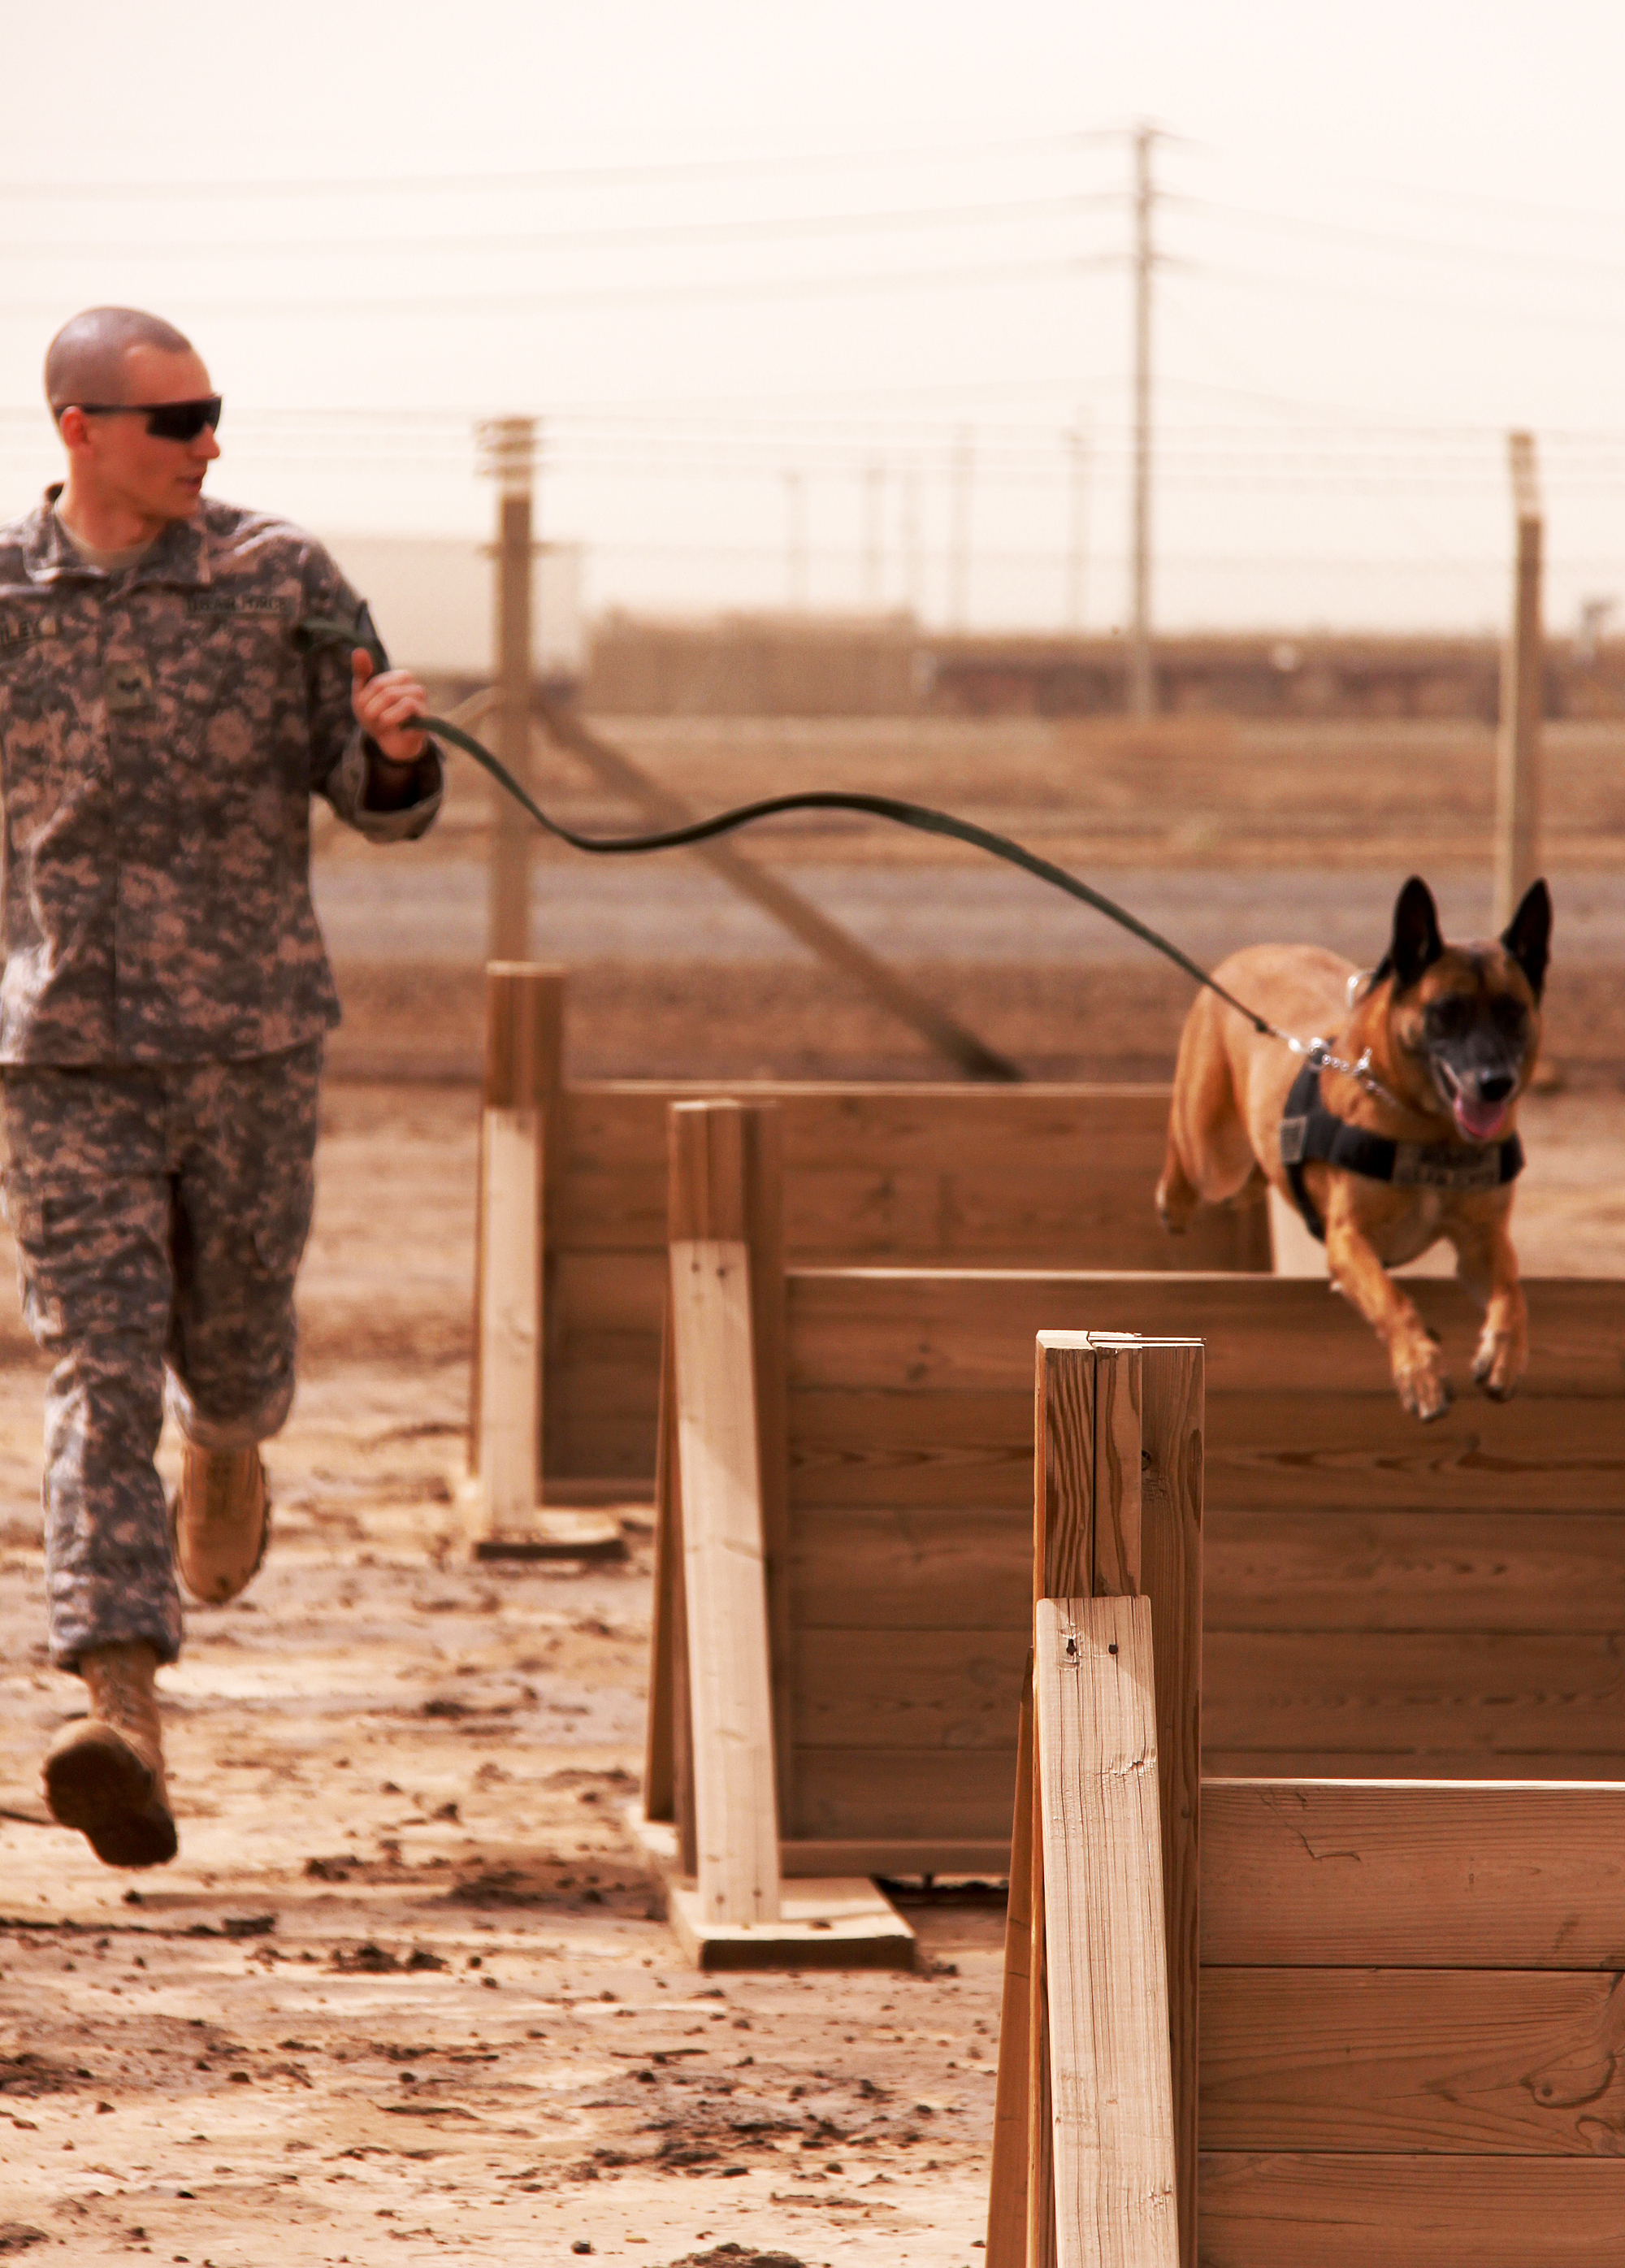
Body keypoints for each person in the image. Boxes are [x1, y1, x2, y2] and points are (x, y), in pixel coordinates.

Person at [0, 306, 444, 1867]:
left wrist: (392, 749)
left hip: (252, 1043)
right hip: (63, 1055)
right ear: (79, 430)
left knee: (233, 1344)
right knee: (95, 1368)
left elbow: (382, 797)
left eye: (212, 416)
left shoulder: (282, 579)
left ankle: (236, 1440)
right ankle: (120, 1713)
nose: (207, 444)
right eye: (175, 420)